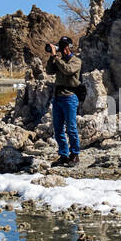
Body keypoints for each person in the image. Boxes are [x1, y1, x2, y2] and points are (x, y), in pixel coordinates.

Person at [45, 36, 82, 166]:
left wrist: (57, 58)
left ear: (69, 47)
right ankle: (63, 155)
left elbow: (68, 70)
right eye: (61, 45)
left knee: (71, 128)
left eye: (64, 45)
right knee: (58, 128)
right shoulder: (58, 60)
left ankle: (75, 154)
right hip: (57, 97)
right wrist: (52, 57)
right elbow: (49, 71)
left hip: (70, 97)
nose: (62, 48)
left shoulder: (76, 61)